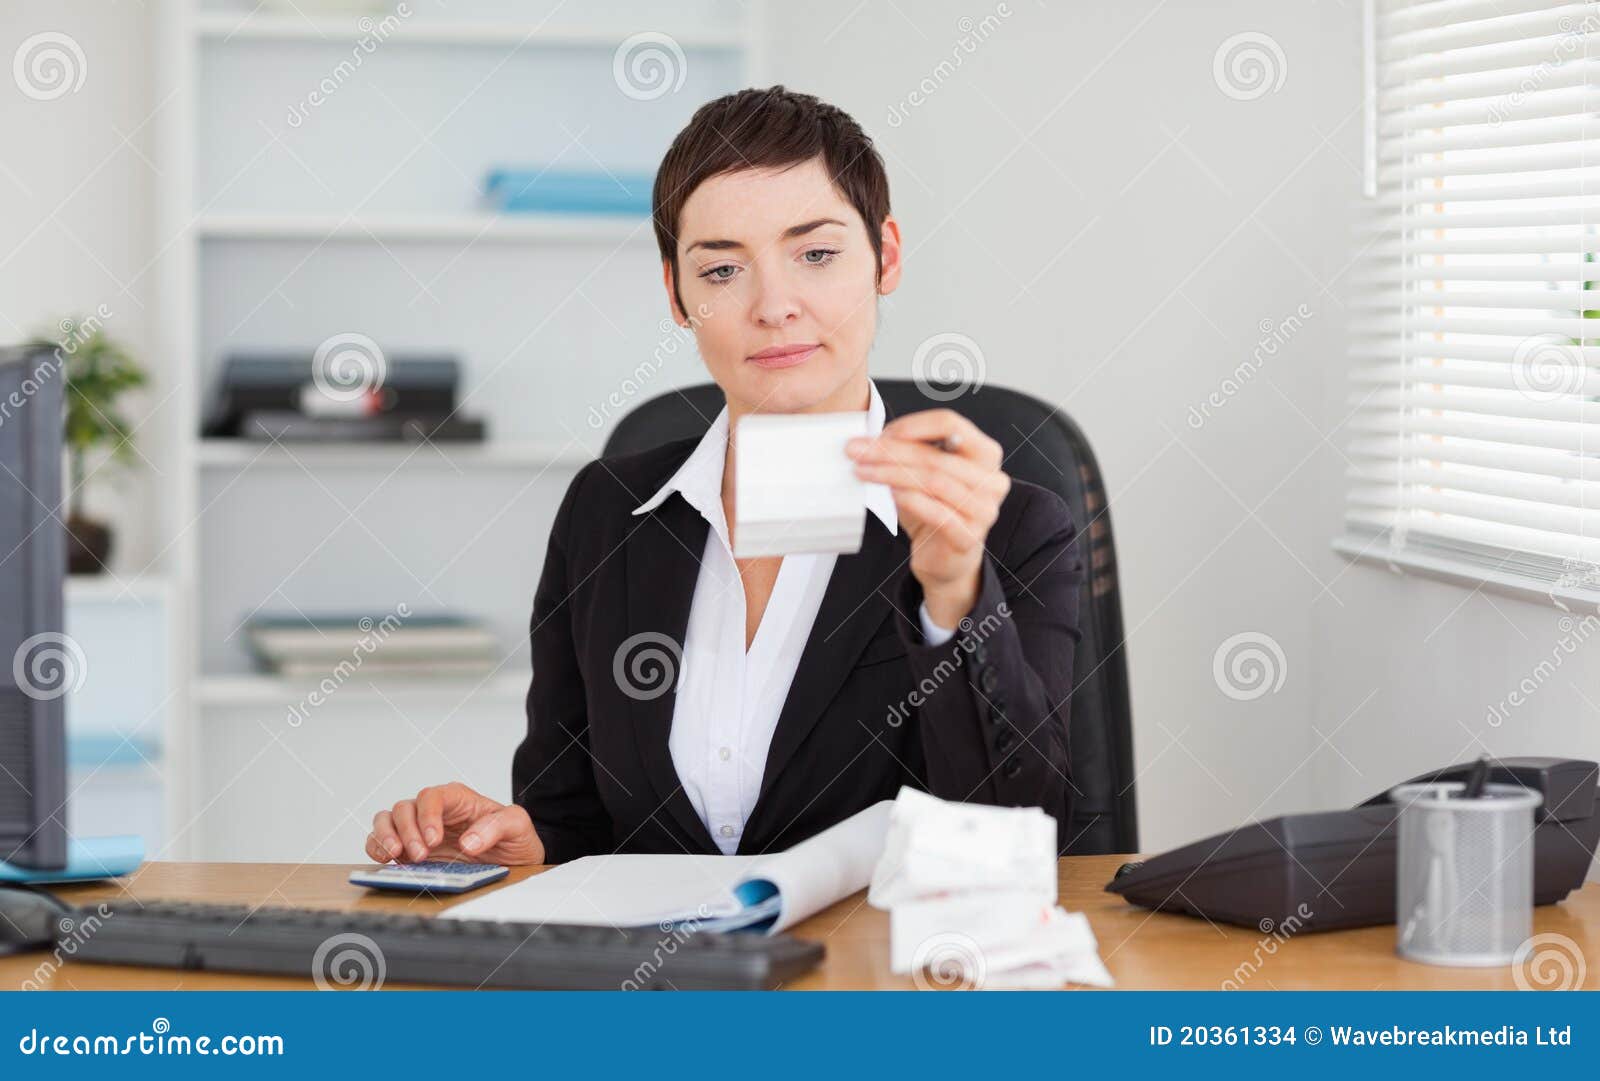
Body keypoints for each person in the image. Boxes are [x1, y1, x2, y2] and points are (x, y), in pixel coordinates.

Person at [365, 86, 1083, 867]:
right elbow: (573, 815)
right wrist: (520, 842)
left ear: (888, 256)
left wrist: (953, 596)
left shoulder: (1010, 529)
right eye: (720, 271)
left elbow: (1016, 836)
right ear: (676, 293)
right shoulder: (605, 512)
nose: (774, 305)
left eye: (816, 254)